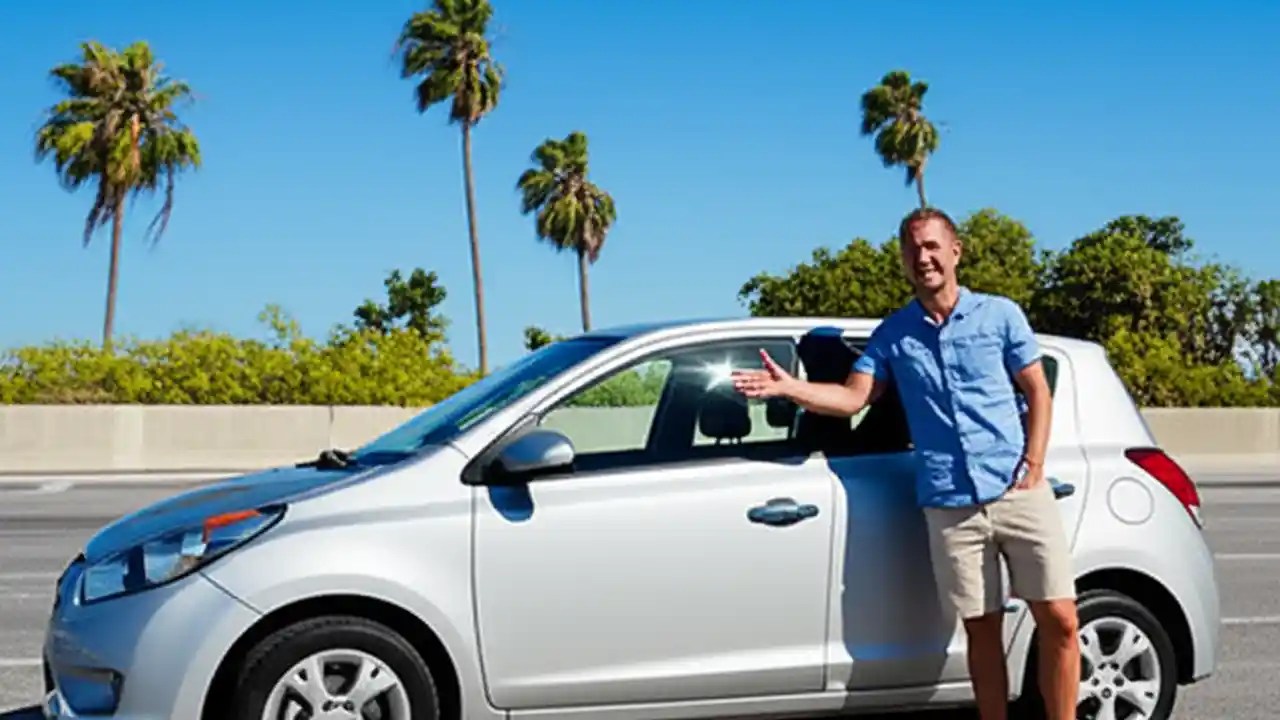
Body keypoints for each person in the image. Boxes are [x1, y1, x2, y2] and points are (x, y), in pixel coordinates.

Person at [732, 207, 1080, 720]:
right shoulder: (894, 335)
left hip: (1016, 489)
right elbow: (853, 398)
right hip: (950, 503)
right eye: (914, 249)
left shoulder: (1000, 315)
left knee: (1061, 619)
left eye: (933, 246)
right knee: (982, 634)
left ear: (955, 251)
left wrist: (1033, 464)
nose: (924, 257)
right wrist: (790, 388)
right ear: (903, 260)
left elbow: (1038, 390)